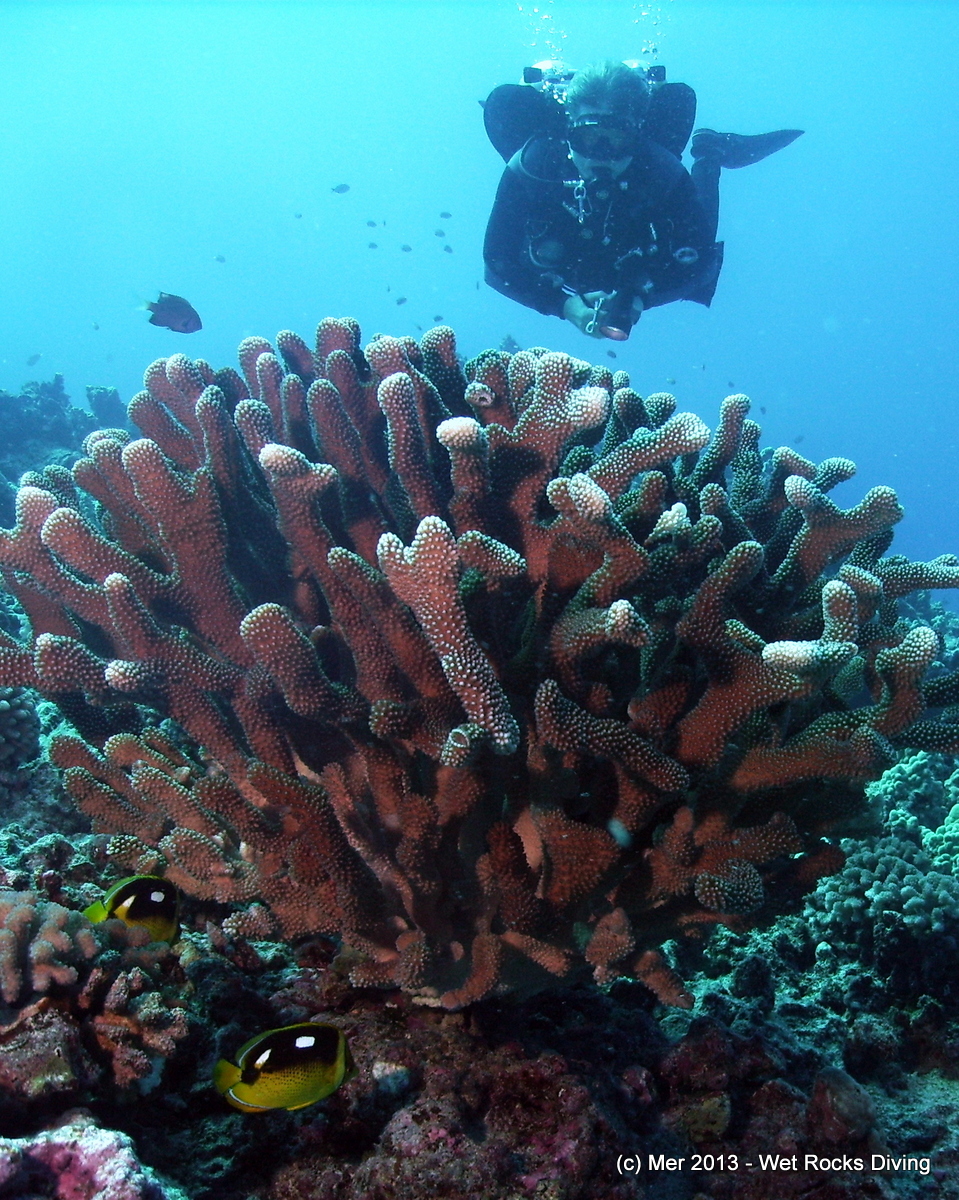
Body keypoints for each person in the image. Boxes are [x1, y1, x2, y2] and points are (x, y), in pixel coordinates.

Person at [483, 61, 802, 340]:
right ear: (569, 134)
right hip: (567, 259)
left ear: (636, 136)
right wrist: (564, 306)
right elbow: (496, 263)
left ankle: (709, 155)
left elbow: (699, 263)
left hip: (638, 247)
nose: (601, 157)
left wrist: (639, 297)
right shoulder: (533, 165)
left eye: (616, 141)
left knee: (698, 235)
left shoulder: (660, 170)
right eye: (588, 139)